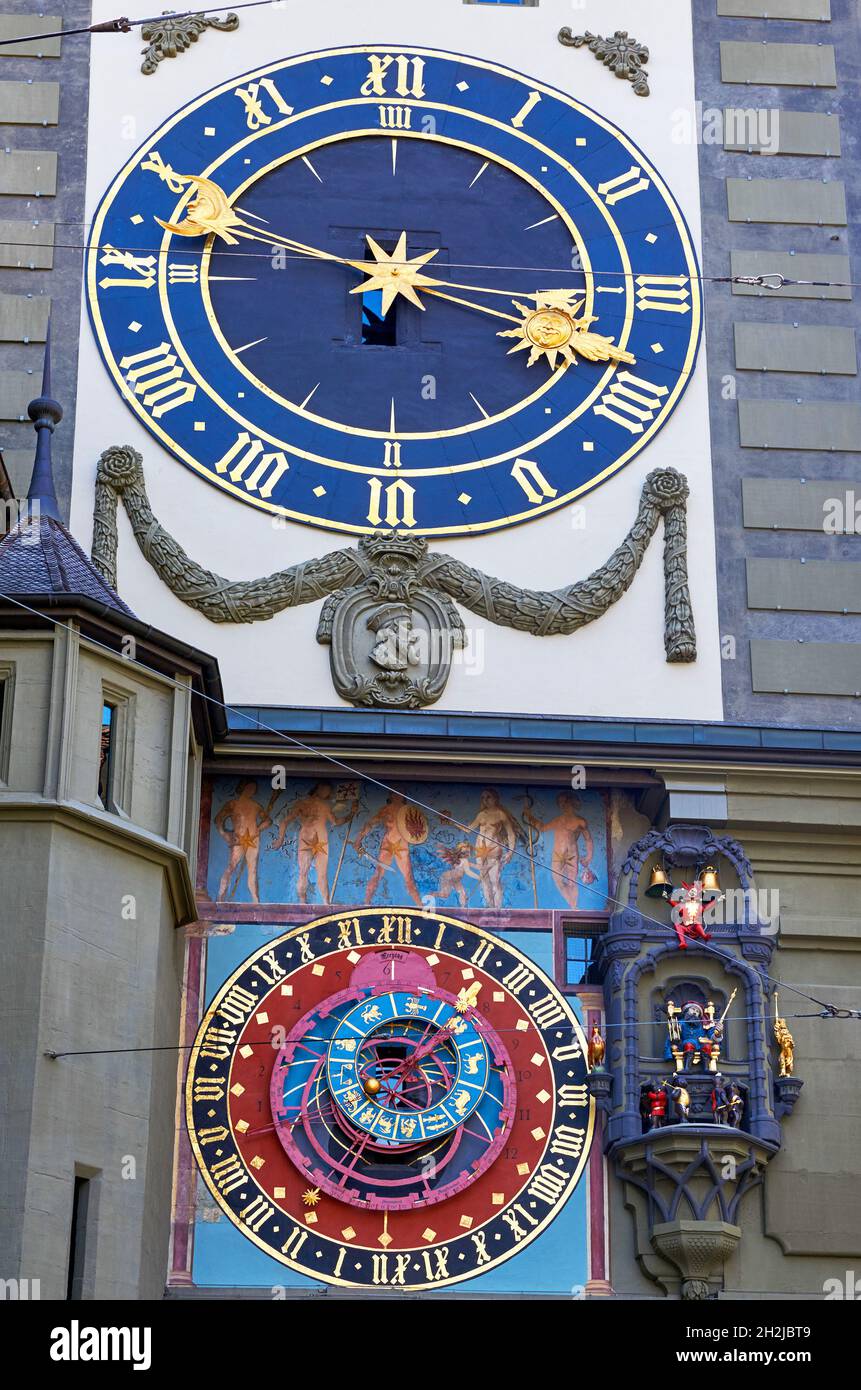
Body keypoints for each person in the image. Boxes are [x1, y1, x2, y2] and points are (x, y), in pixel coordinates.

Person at [270, 782, 358, 904]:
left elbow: (285, 822)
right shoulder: (321, 805)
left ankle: (322, 903)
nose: (328, 793)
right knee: (308, 873)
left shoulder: (307, 804)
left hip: (308, 838)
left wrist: (351, 815)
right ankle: (313, 903)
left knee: (312, 874)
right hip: (319, 839)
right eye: (326, 789)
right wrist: (351, 815)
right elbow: (336, 822)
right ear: (318, 788)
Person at [524, 791, 595, 908]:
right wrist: (529, 817)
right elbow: (542, 828)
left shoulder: (579, 821)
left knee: (572, 882)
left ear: (571, 801)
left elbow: (588, 839)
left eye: (565, 801)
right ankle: (571, 904)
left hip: (571, 855)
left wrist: (589, 856)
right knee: (558, 880)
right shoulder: (558, 820)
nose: (562, 805)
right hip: (557, 855)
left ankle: (574, 907)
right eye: (560, 802)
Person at [354, 793, 422, 906]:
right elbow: (370, 823)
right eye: (394, 793)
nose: (397, 795)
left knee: (409, 878)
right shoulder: (386, 809)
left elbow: (418, 829)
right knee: (378, 874)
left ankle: (421, 907)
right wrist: (358, 839)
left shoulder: (408, 810)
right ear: (391, 796)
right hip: (388, 844)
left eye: (399, 793)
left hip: (402, 846)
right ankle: (366, 903)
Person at [215, 780, 271, 903]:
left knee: (252, 870)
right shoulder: (233, 804)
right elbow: (218, 819)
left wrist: (258, 828)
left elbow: (268, 821)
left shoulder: (255, 806)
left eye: (253, 789)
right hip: (239, 840)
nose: (251, 791)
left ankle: (255, 901)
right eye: (249, 787)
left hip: (253, 840)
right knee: (231, 867)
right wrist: (224, 833)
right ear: (243, 787)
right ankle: (220, 897)